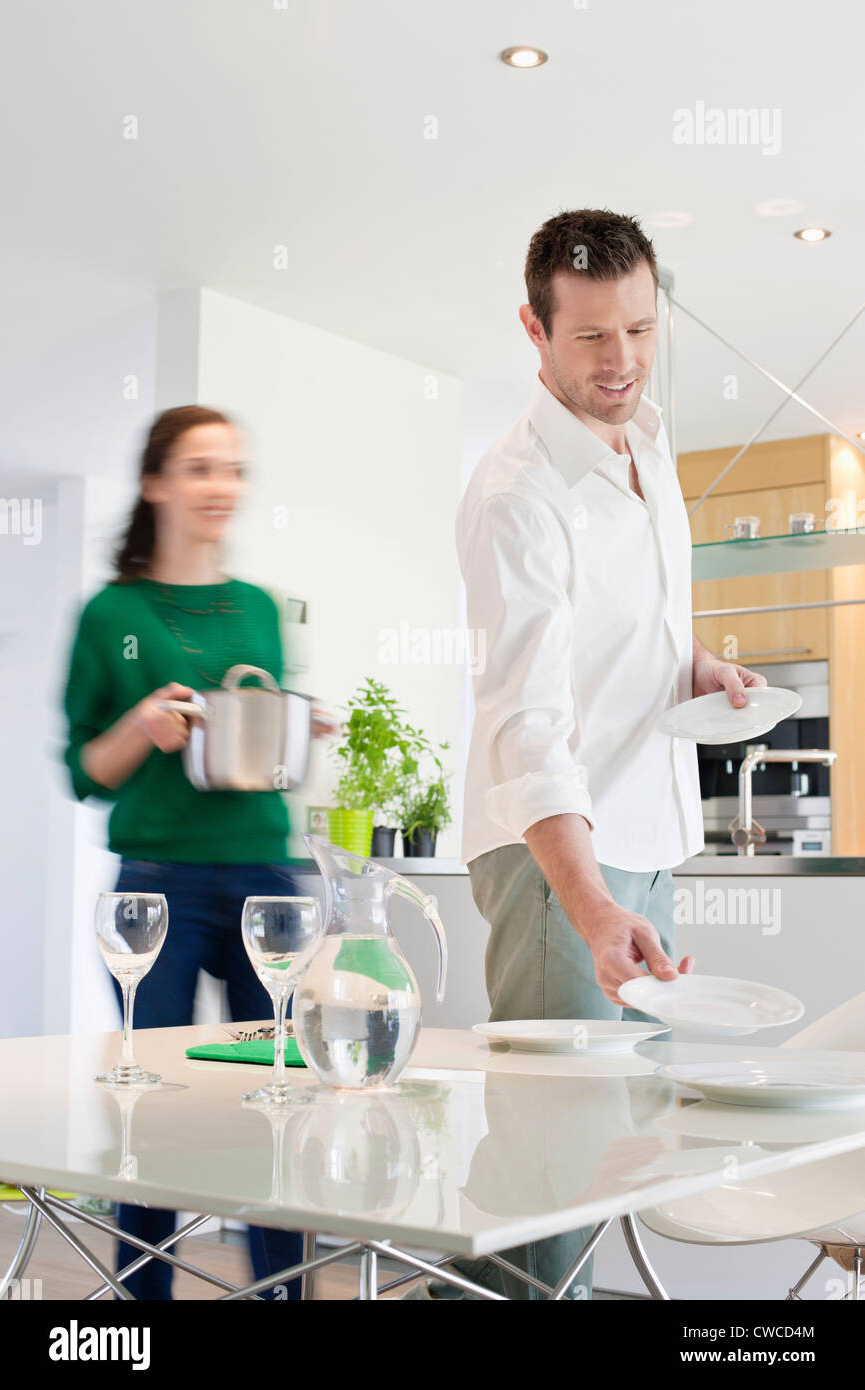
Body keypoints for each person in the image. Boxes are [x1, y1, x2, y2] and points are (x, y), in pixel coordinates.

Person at [407, 208, 767, 1301]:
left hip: (644, 838)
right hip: (554, 855)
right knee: (550, 1173)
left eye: (641, 331)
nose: (621, 363)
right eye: (591, 338)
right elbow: (526, 723)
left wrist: (688, 664)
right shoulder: (516, 493)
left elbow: (617, 627)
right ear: (533, 328)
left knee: (603, 1157)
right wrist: (591, 908)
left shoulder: (645, 440)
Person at [62, 404, 330, 1299]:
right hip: (158, 886)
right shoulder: (112, 614)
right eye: (202, 469)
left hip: (267, 877)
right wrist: (140, 724)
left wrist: (296, 729)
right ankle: (138, 1313)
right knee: (154, 1111)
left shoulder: (255, 608)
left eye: (234, 471)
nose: (223, 488)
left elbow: (261, 745)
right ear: (156, 485)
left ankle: (282, 1294)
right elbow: (85, 770)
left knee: (277, 1108)